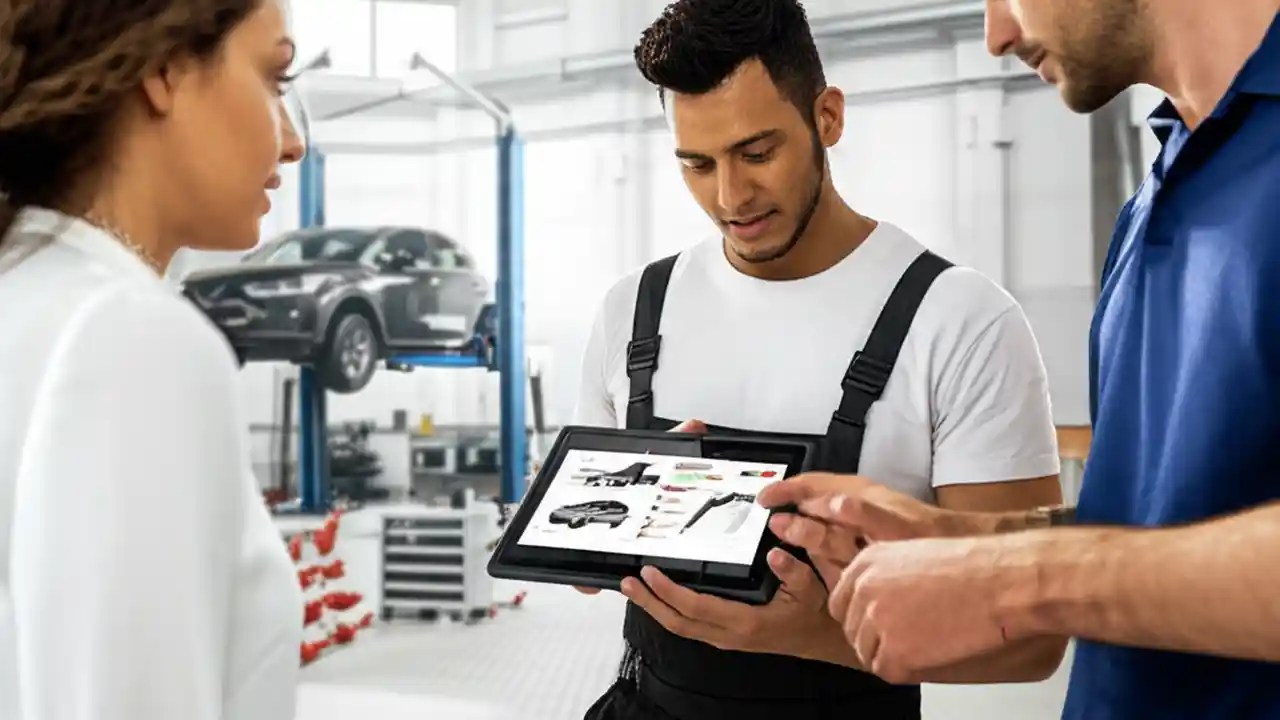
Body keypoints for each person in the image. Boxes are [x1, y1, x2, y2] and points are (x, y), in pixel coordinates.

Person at [759, 0, 1280, 717]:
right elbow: (1164, 523)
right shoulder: (1154, 200)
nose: (996, 34)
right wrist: (961, 541)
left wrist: (1017, 576)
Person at [572, 1, 1067, 717]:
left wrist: (829, 634)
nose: (728, 197)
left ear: (827, 118)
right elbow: (587, 548)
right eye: (696, 163)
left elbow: (1028, 638)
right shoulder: (632, 310)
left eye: (757, 152)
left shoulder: (961, 321)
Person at [0, 1, 307, 718]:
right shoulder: (131, 335)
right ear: (164, 70)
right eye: (273, 78)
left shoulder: (27, 295)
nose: (291, 142)